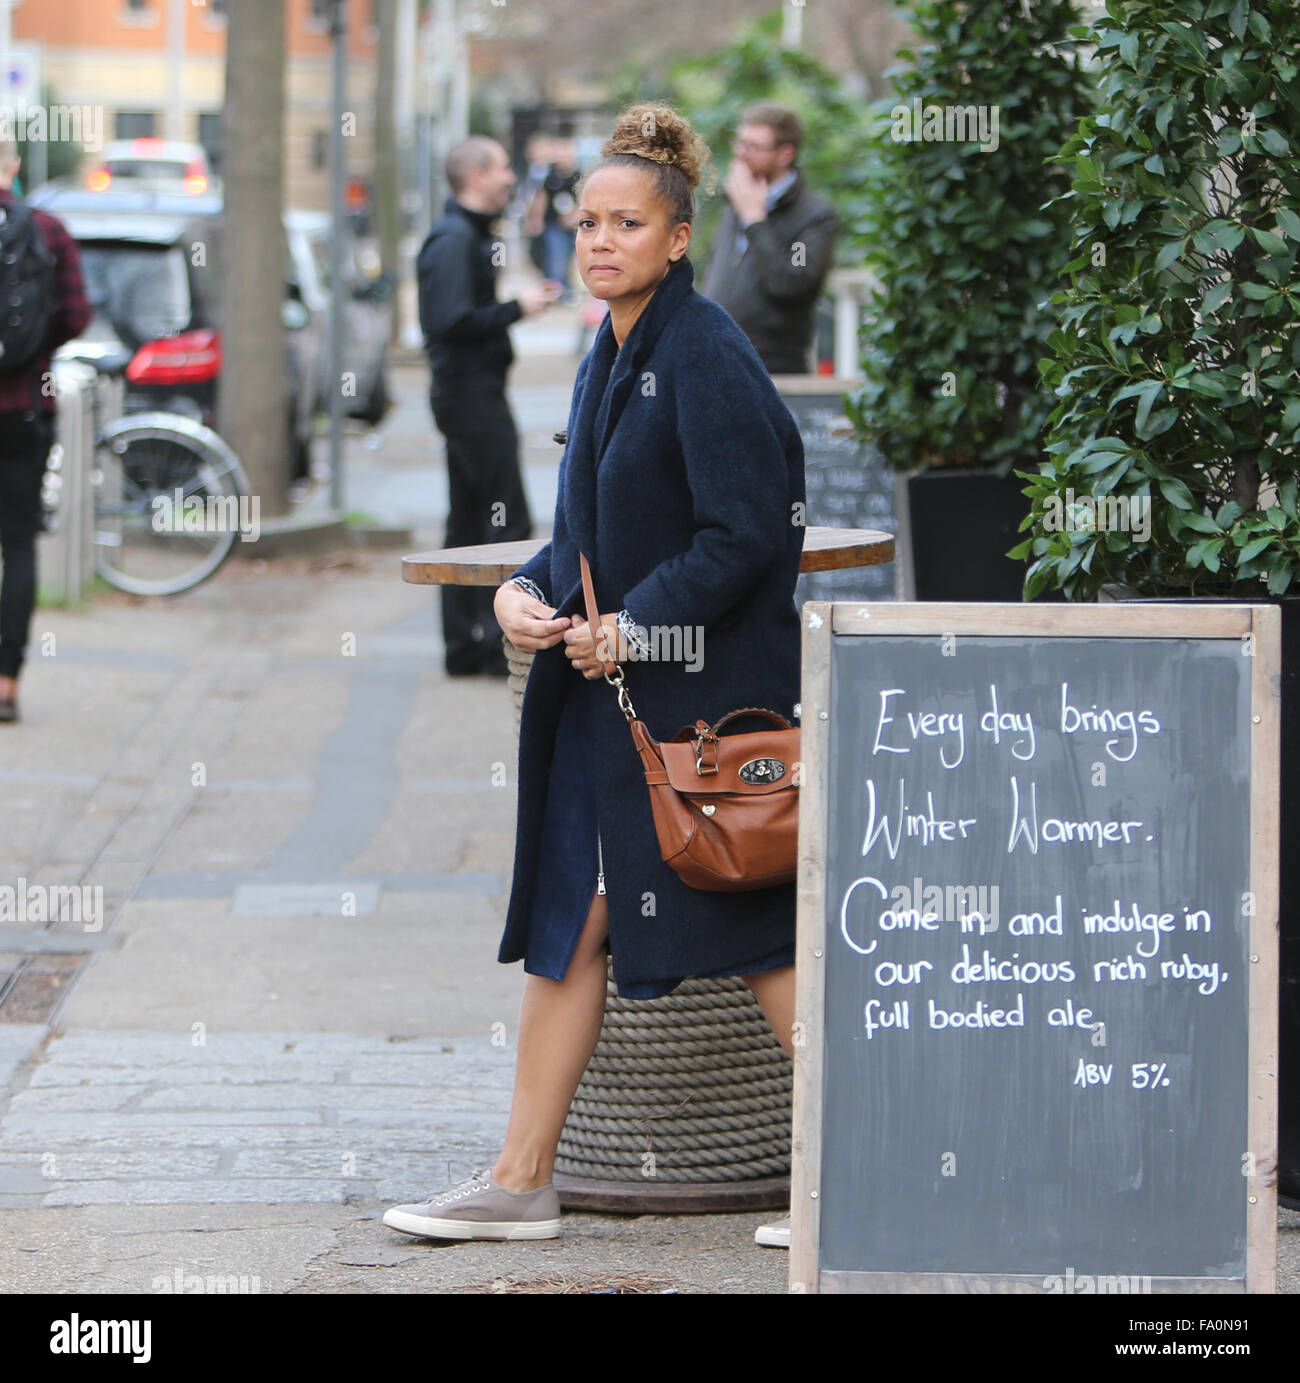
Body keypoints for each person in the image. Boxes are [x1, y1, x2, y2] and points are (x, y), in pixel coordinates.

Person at [384, 103, 804, 1249]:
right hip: (608, 709)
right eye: (587, 224)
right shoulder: (608, 350)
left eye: (630, 223)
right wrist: (524, 589)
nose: (602, 241)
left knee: (763, 928)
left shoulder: (705, 349)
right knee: (572, 921)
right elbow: (587, 528)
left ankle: (875, 1169)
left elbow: (744, 534)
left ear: (679, 237)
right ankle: (521, 1181)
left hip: (696, 709)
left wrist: (632, 626)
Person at [417, 136, 562, 677]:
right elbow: (448, 321)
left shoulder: (466, 235)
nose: (510, 178)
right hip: (469, 397)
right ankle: (505, 642)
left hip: (472, 394)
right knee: (505, 519)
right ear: (476, 175)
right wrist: (515, 309)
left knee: (472, 520)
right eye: (503, 168)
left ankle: (466, 645)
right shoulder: (453, 240)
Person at [0, 138, 92, 723]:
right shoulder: (48, 230)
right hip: (26, 407)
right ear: (10, 164)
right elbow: (77, 314)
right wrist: (31, 350)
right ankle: (6, 684)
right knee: (18, 544)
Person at [701, 101, 840, 375]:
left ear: (785, 154)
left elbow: (790, 282)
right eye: (739, 143)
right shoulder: (737, 202)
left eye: (753, 146)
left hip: (771, 370)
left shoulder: (814, 216)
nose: (741, 154)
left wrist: (755, 220)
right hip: (714, 359)